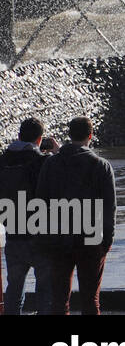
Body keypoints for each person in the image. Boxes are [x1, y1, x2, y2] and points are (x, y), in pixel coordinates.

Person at [36, 117, 115, 316]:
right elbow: (109, 207)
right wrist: (107, 239)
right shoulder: (101, 165)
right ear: (90, 136)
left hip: (58, 237)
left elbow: (41, 201)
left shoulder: (51, 164)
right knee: (90, 300)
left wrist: (44, 236)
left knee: (59, 300)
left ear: (69, 135)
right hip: (91, 238)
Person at [0, 118, 56, 315]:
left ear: (18, 136)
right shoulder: (43, 162)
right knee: (45, 291)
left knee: (14, 290)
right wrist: (56, 152)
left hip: (13, 234)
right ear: (39, 139)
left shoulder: (3, 161)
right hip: (40, 236)